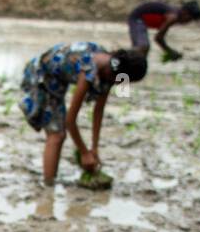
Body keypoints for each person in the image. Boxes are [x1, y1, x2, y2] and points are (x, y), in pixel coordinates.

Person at [19, 43, 148, 185]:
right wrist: (84, 152)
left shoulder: (113, 69)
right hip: (43, 74)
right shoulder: (89, 70)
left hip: (60, 78)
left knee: (58, 133)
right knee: (56, 134)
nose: (122, 84)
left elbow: (98, 111)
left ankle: (50, 181)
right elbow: (70, 120)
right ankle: (48, 186)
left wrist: (94, 147)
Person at [128, 0, 200, 61]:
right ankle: (120, 58)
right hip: (137, 18)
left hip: (142, 21)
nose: (187, 22)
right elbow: (158, 38)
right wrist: (170, 52)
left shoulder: (174, 14)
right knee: (143, 46)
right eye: (189, 19)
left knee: (142, 50)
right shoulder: (173, 17)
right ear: (185, 12)